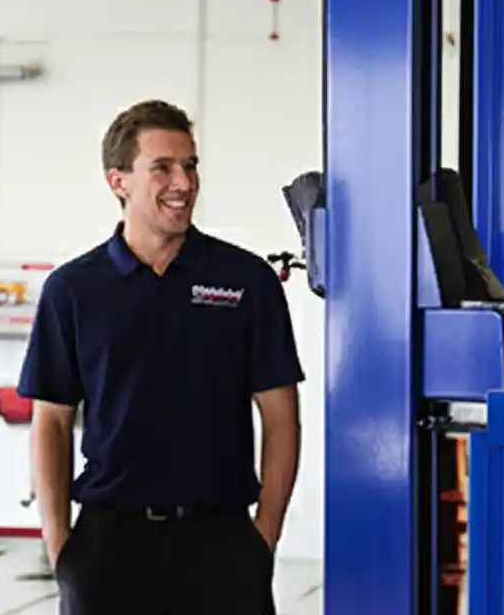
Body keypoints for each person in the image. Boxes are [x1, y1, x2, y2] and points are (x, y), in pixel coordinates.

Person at [19, 99, 305, 614]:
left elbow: (282, 417)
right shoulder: (73, 290)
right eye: (163, 167)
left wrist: (264, 535)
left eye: (191, 166)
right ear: (118, 181)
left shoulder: (246, 282)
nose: (184, 182)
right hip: (109, 546)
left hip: (222, 546)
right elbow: (52, 424)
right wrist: (62, 548)